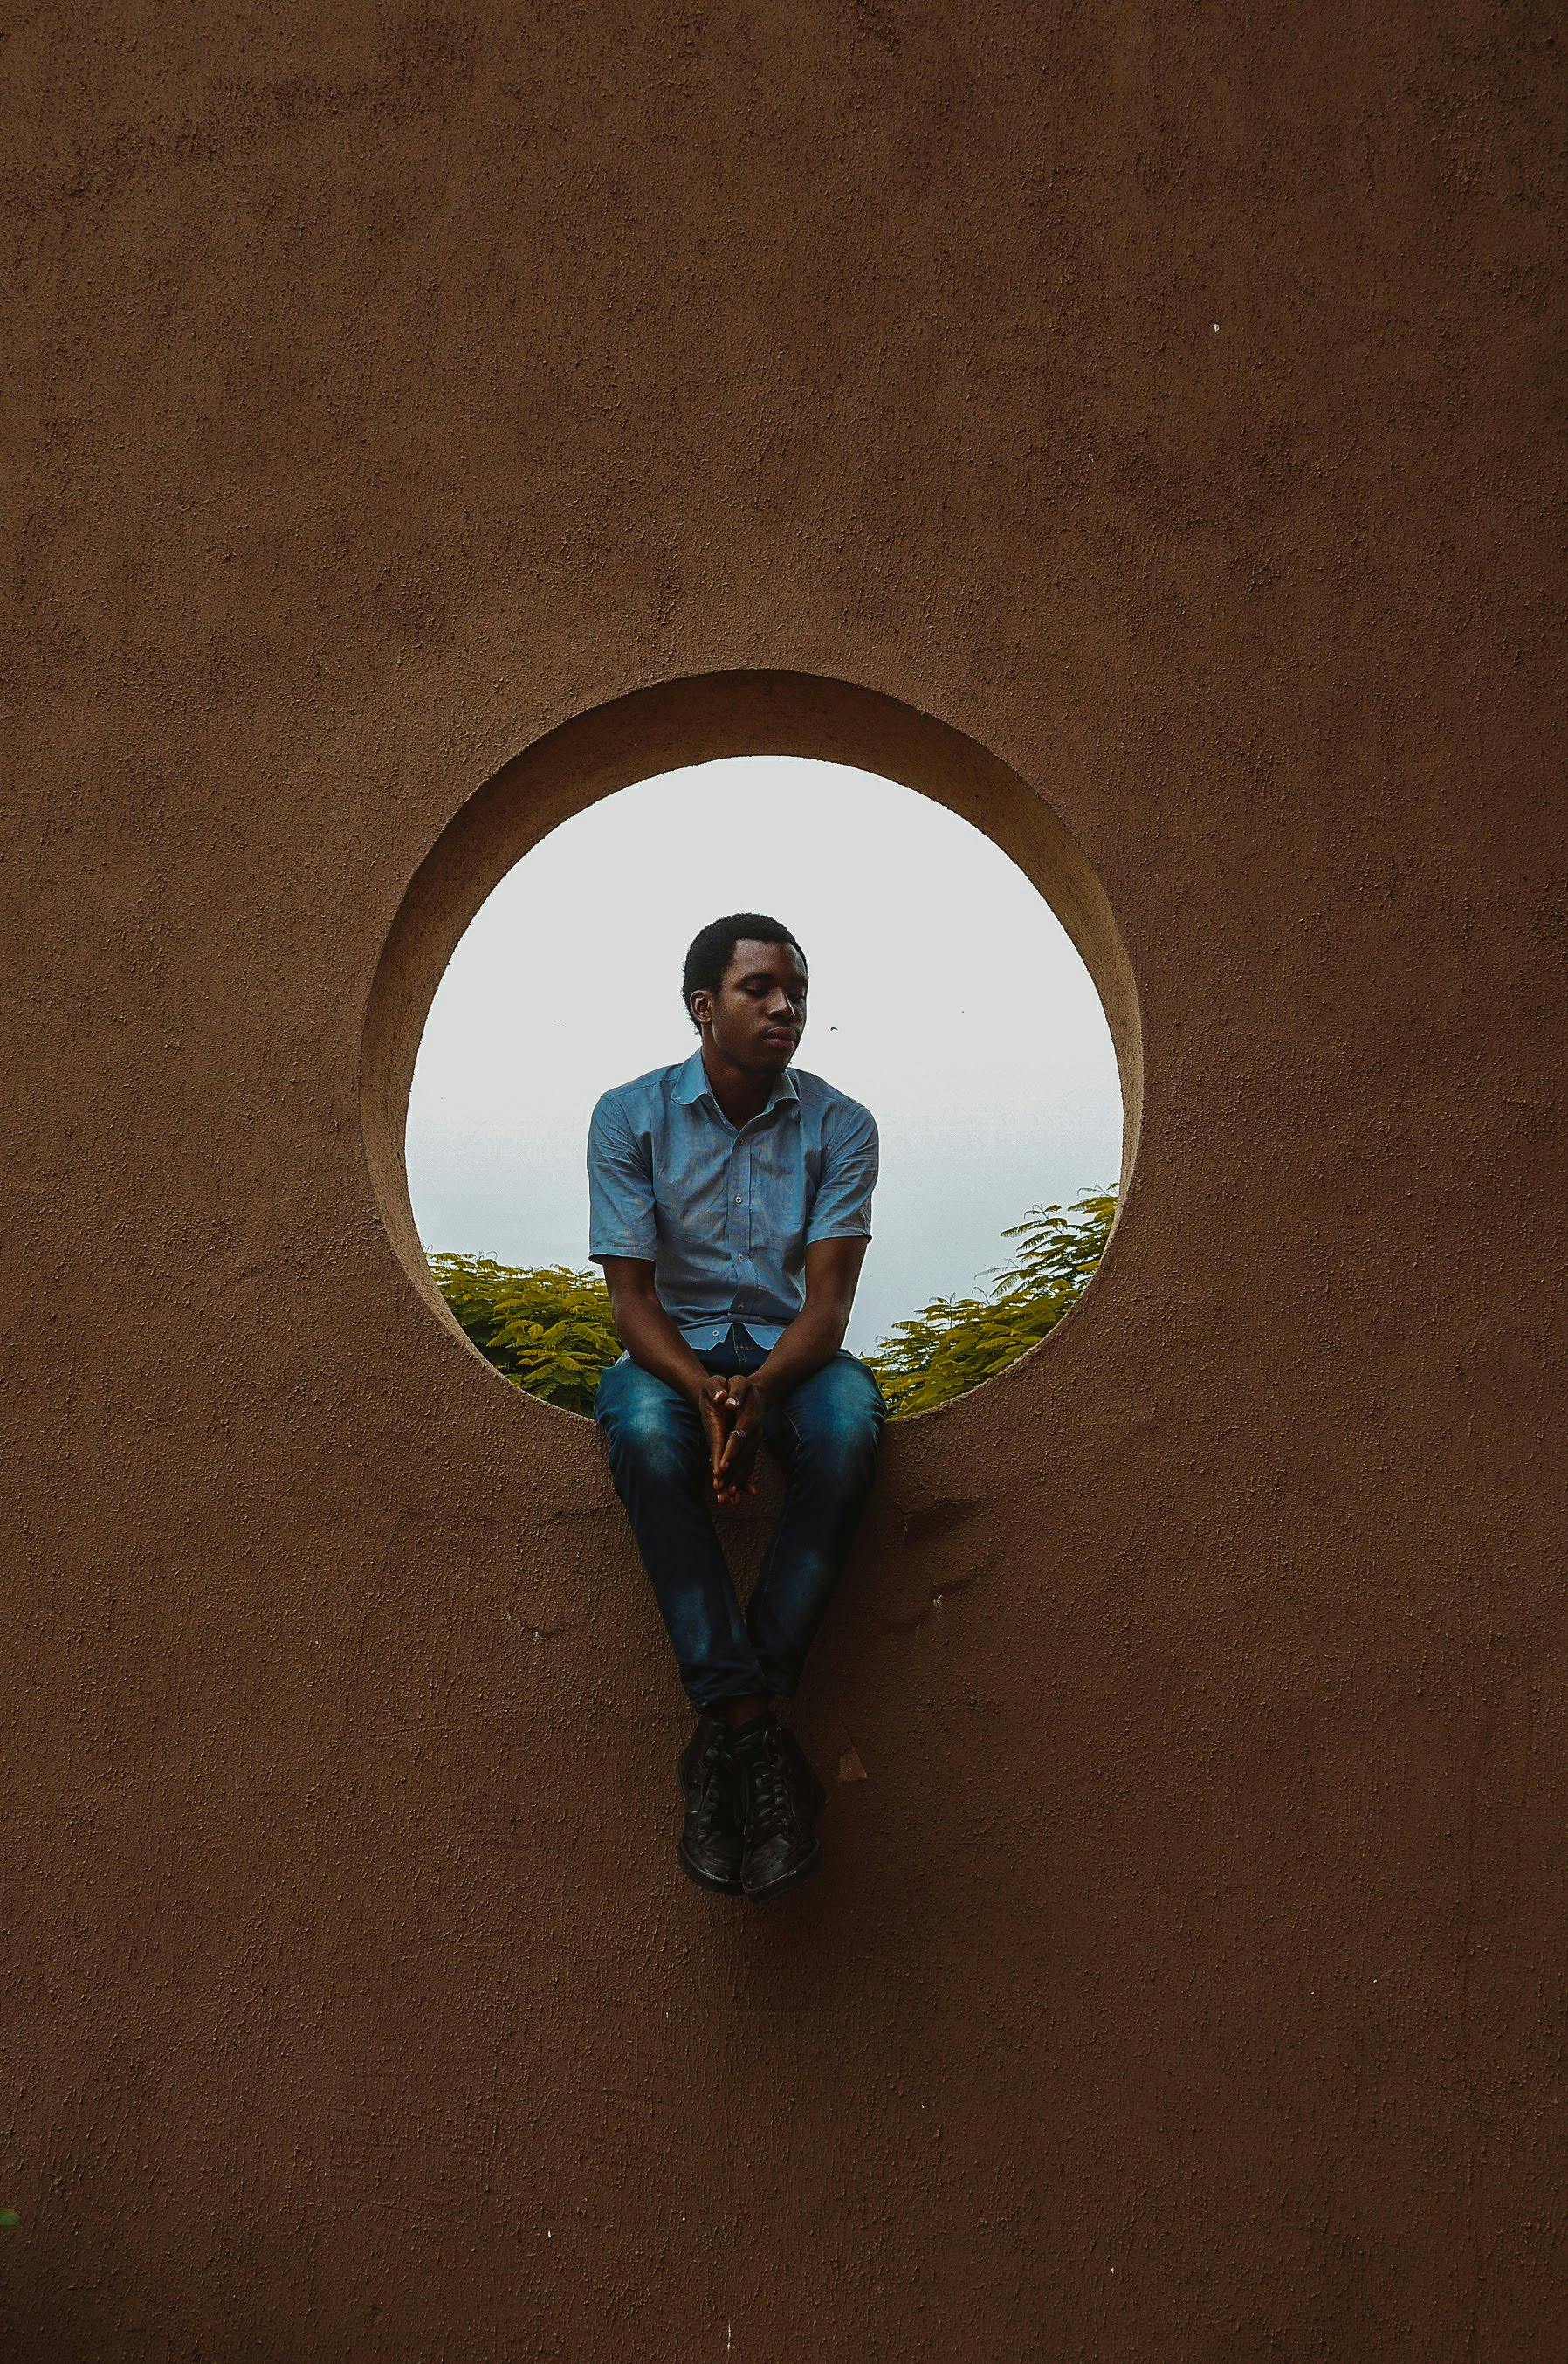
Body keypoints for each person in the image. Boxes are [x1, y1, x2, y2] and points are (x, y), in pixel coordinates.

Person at [588, 913, 886, 1901]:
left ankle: (727, 1724)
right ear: (703, 1005)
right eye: (758, 988)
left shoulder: (841, 1123)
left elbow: (829, 1306)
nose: (785, 1006)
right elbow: (630, 1302)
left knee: (847, 1426)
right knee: (636, 1426)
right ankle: (755, 1729)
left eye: (795, 989)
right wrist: (700, 1396)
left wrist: (756, 1394)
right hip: (668, 1353)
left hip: (790, 1357)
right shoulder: (627, 1115)